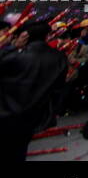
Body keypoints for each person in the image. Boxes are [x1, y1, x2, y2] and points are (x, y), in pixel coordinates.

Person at [0, 22, 68, 161]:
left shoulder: (16, 55)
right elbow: (58, 90)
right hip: (32, 116)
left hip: (4, 113)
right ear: (47, 36)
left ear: (25, 35)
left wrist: (12, 47)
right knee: (17, 153)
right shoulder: (59, 58)